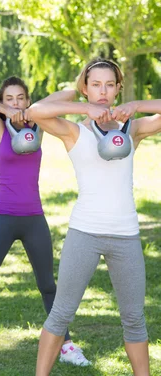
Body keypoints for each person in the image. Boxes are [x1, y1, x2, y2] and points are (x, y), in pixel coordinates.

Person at [0, 77, 89, 371]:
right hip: (3, 216)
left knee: (48, 285)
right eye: (10, 98)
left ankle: (67, 345)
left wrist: (35, 108)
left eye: (21, 97)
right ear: (2, 101)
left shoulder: (38, 126)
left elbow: (68, 92)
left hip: (34, 217)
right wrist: (3, 110)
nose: (17, 103)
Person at [28, 58, 159, 376]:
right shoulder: (74, 131)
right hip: (84, 233)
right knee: (61, 314)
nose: (103, 92)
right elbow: (34, 112)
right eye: (96, 85)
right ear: (85, 88)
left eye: (110, 85)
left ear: (118, 89)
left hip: (126, 234)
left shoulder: (133, 129)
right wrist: (83, 109)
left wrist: (137, 105)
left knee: (134, 319)